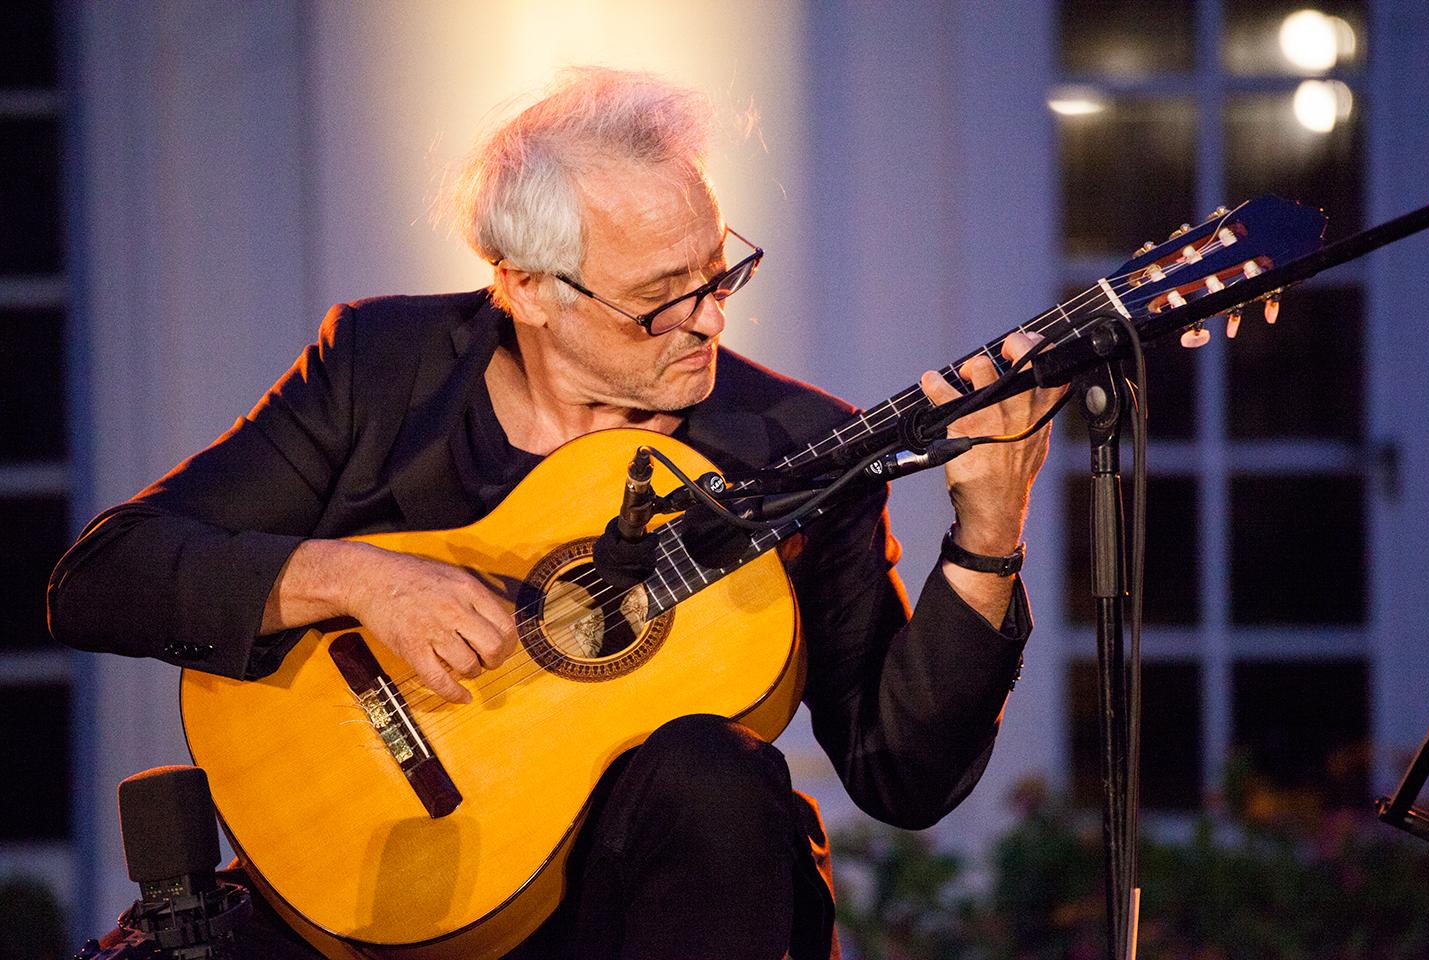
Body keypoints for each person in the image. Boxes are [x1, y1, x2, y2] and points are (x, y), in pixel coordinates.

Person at [48, 67, 1059, 959]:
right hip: (374, 890)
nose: (711, 317)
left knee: (718, 775)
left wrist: (989, 542)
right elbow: (104, 579)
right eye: (662, 296)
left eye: (719, 273)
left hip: (652, 913)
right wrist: (359, 578)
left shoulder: (788, 444)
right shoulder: (379, 371)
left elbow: (902, 774)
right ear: (526, 289)